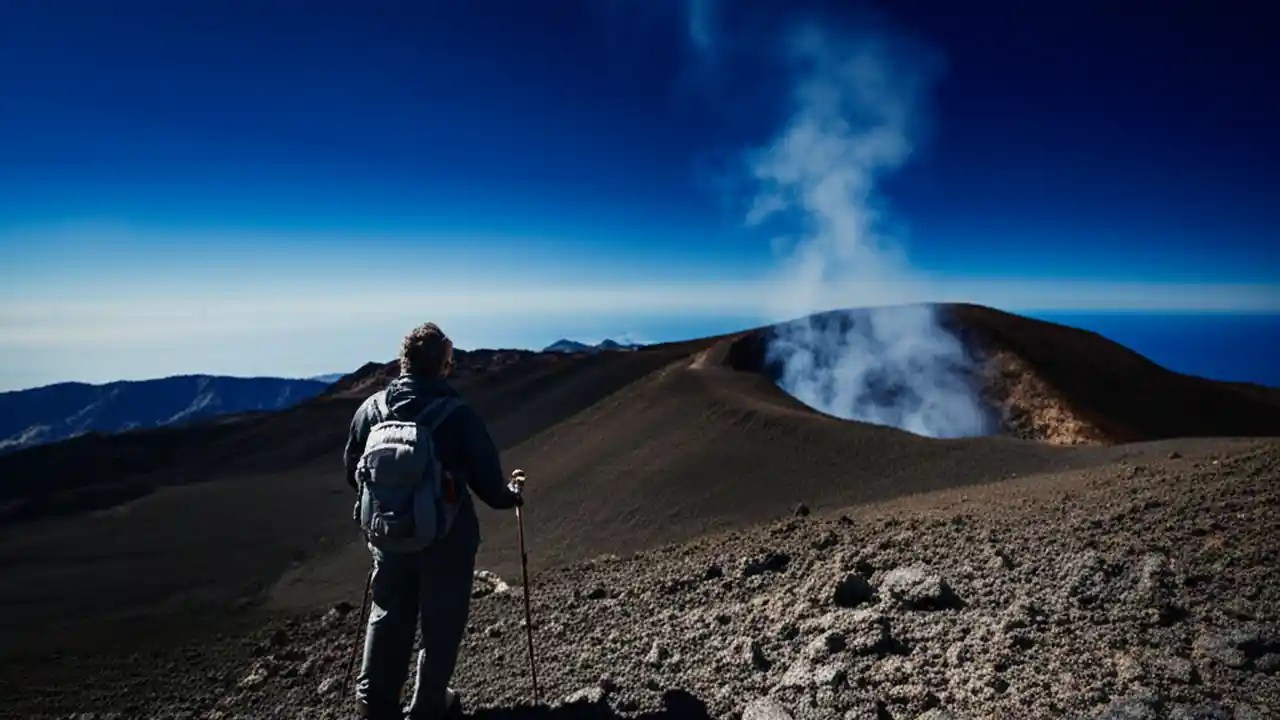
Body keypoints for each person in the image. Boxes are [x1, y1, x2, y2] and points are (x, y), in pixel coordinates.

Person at [344, 322, 523, 720]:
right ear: (442, 366)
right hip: (447, 541)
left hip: (388, 540)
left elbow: (352, 472)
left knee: (388, 613)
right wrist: (513, 494)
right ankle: (429, 706)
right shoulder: (457, 415)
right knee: (440, 622)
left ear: (403, 362)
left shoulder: (369, 412)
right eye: (449, 362)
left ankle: (374, 705)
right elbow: (490, 487)